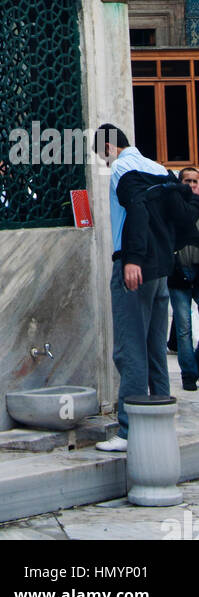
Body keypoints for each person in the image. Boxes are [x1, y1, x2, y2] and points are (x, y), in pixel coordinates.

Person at [94, 124, 194, 453]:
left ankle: (129, 430)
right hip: (160, 270)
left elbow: (136, 209)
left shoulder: (124, 167)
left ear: (109, 145)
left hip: (134, 268)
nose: (104, 162)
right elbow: (180, 216)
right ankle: (161, 420)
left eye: (101, 154)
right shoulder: (158, 168)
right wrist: (166, 252)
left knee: (130, 348)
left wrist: (133, 258)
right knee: (154, 350)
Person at [168, 167, 199, 392]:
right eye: (187, 181)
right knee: (184, 329)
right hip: (178, 273)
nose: (191, 185)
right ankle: (189, 375)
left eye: (195, 181)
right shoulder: (173, 208)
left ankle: (194, 365)